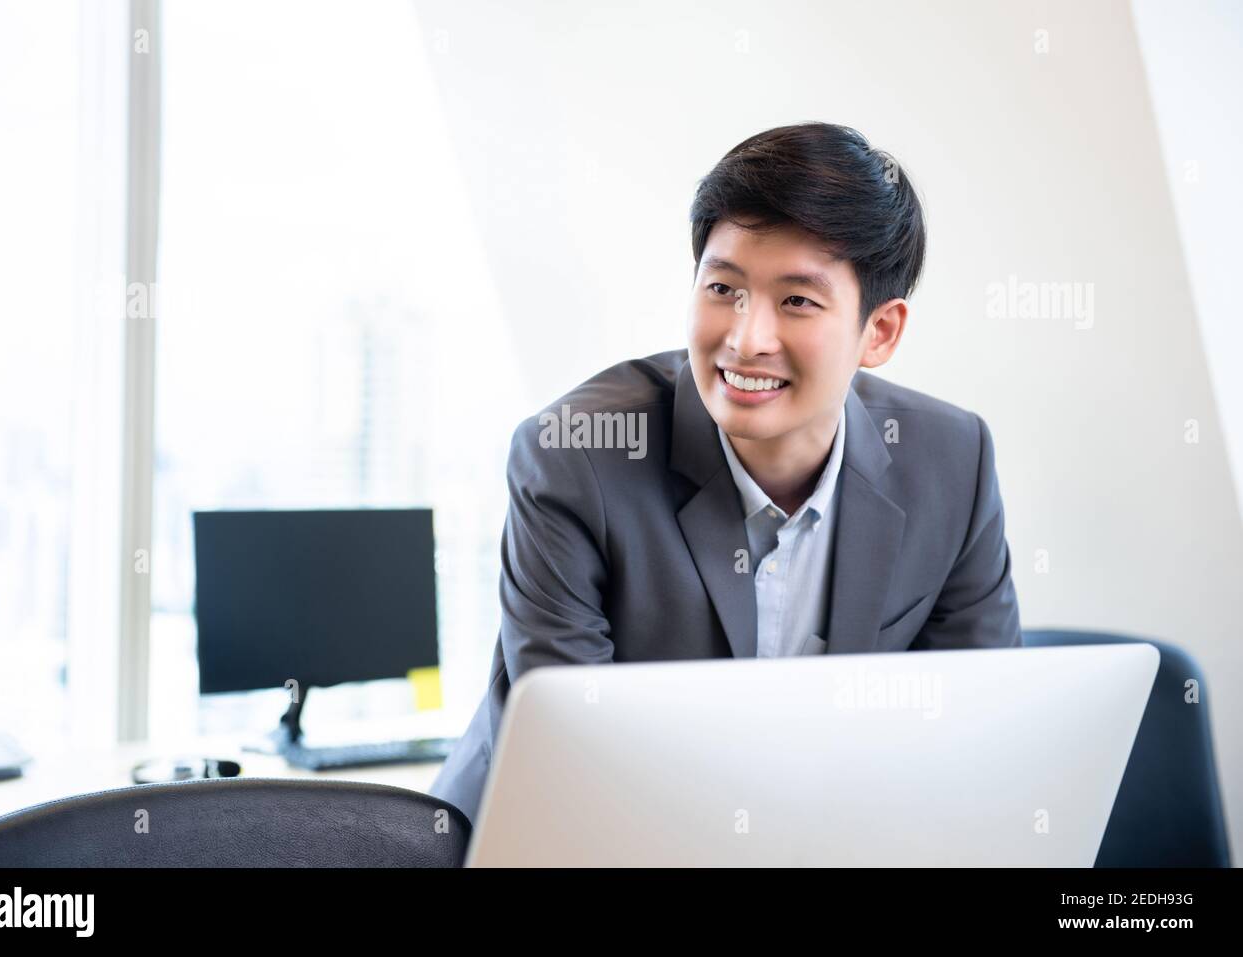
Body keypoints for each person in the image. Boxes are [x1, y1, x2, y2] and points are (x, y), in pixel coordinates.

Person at [431, 122, 1022, 825]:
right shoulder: (574, 457)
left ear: (881, 331)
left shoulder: (953, 463)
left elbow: (976, 744)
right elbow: (570, 776)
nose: (746, 338)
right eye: (723, 288)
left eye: (797, 300)